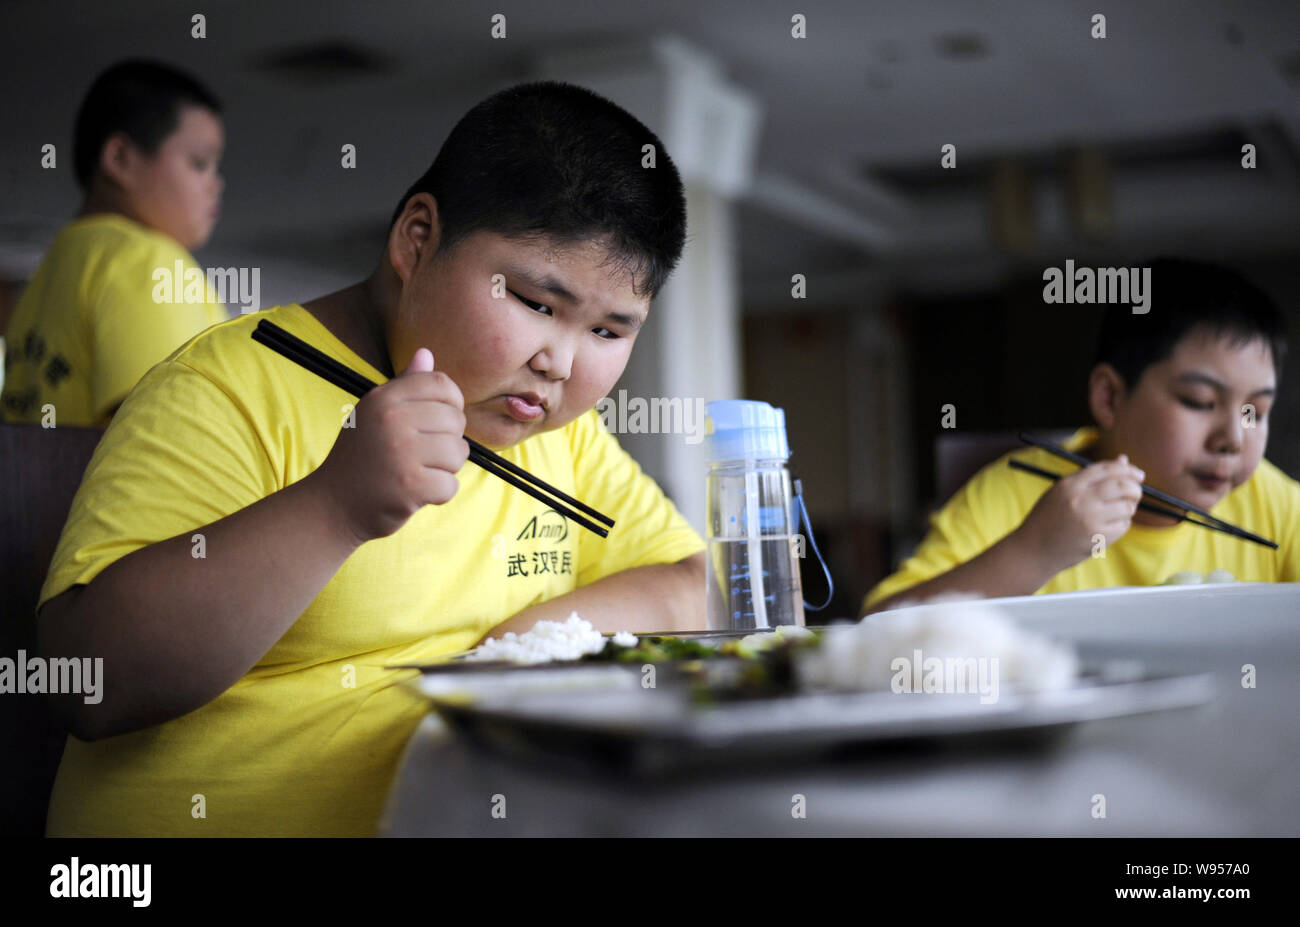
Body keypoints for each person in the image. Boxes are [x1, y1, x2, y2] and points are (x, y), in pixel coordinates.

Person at [36, 81, 706, 836]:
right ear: (416, 240)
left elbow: (686, 584)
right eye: (535, 303)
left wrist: (504, 660)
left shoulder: (559, 434)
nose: (560, 362)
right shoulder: (228, 386)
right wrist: (334, 507)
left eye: (610, 333)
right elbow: (87, 681)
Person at [863, 257, 1297, 615]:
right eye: (1200, 401)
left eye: (1254, 412)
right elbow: (881, 629)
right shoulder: (1016, 495)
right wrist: (1033, 552)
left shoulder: (1279, 508)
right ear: (1109, 397)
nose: (1233, 440)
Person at [1, 60, 226, 426]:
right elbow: (172, 446)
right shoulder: (145, 261)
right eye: (199, 163)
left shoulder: (43, 280)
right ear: (120, 158)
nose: (216, 184)